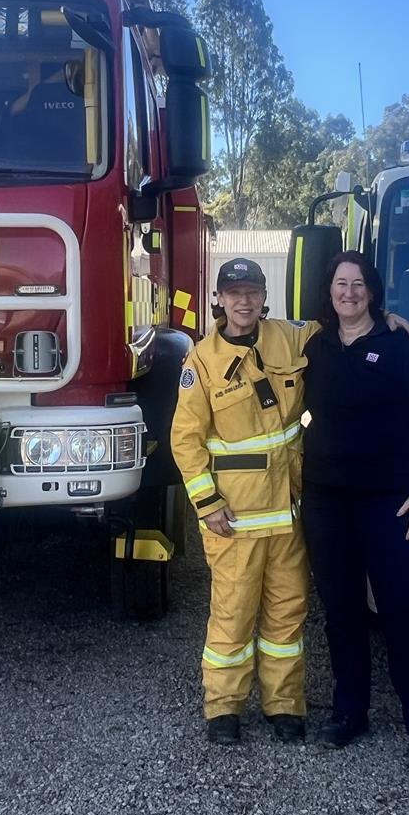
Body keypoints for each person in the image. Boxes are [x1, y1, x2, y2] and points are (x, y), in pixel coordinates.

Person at [301, 251, 409, 780]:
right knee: (341, 612)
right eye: (340, 283)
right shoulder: (312, 347)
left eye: (358, 284)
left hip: (390, 503)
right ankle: (350, 712)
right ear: (329, 291)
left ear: (373, 291)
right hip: (326, 501)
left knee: (401, 613)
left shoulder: (402, 348)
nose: (349, 292)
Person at [170, 258, 315, 746]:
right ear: (219, 300)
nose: (244, 301)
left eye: (252, 291)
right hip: (233, 519)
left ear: (264, 296)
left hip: (288, 516)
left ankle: (284, 705)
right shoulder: (201, 361)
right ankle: (224, 708)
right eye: (234, 293)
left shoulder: (290, 338)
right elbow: (185, 440)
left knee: (287, 615)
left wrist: (387, 320)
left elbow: (344, 330)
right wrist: (208, 504)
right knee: (232, 616)